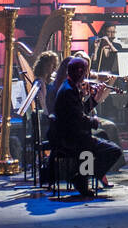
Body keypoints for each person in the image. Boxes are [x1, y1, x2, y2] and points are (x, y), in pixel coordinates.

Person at [49, 56, 123, 197]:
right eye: (84, 73)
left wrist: (94, 100)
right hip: (71, 138)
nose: (85, 77)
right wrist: (94, 121)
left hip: (72, 135)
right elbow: (77, 119)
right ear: (81, 72)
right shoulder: (69, 91)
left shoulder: (69, 86)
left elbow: (79, 111)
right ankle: (81, 177)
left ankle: (82, 178)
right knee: (114, 151)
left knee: (96, 144)